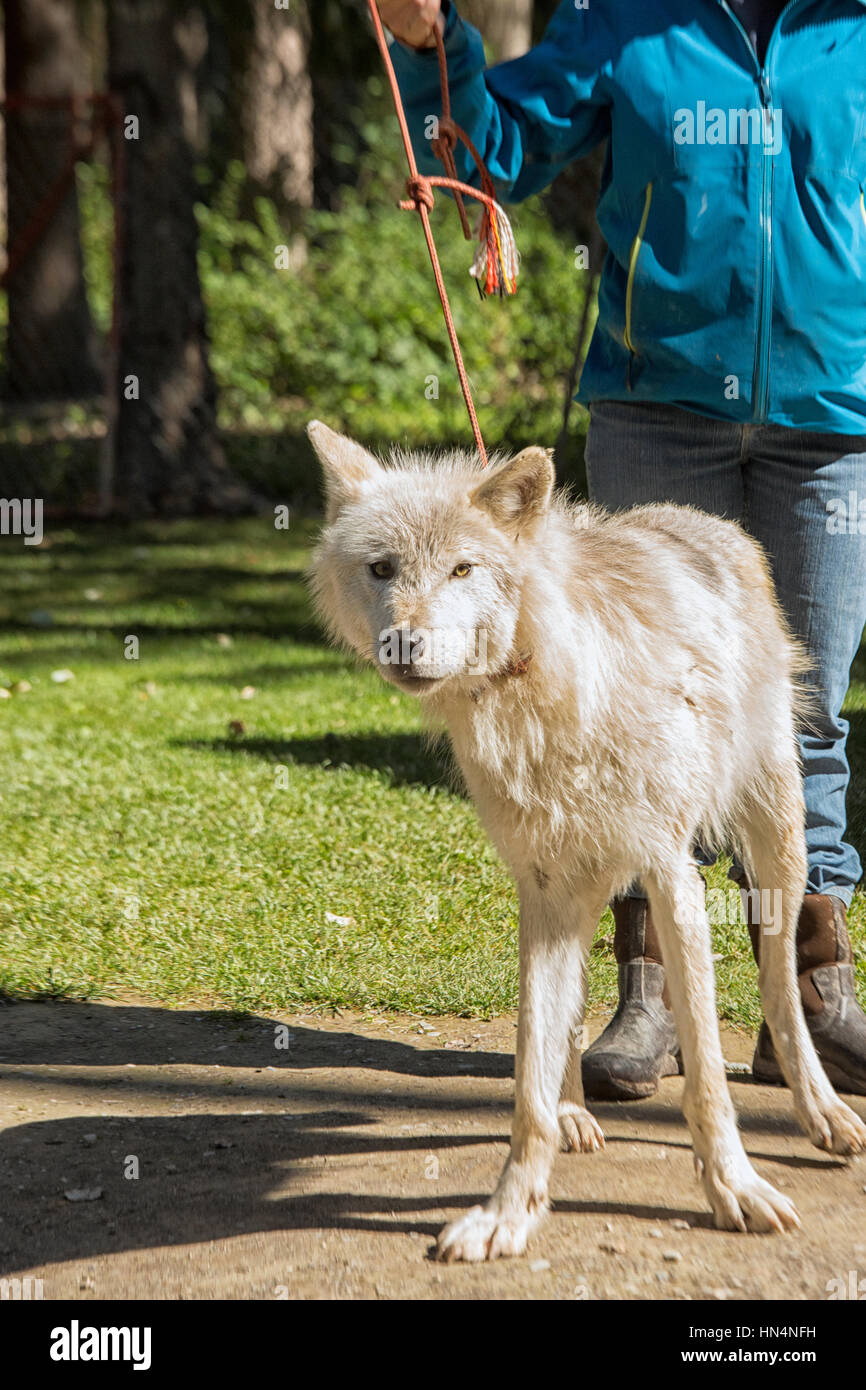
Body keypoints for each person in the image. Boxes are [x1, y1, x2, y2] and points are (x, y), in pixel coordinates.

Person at [380, 0, 866, 1097]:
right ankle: (647, 991)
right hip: (659, 411)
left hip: (832, 419)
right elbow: (490, 142)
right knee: (641, 708)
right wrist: (429, 47)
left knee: (808, 712)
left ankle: (810, 984)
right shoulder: (633, 23)